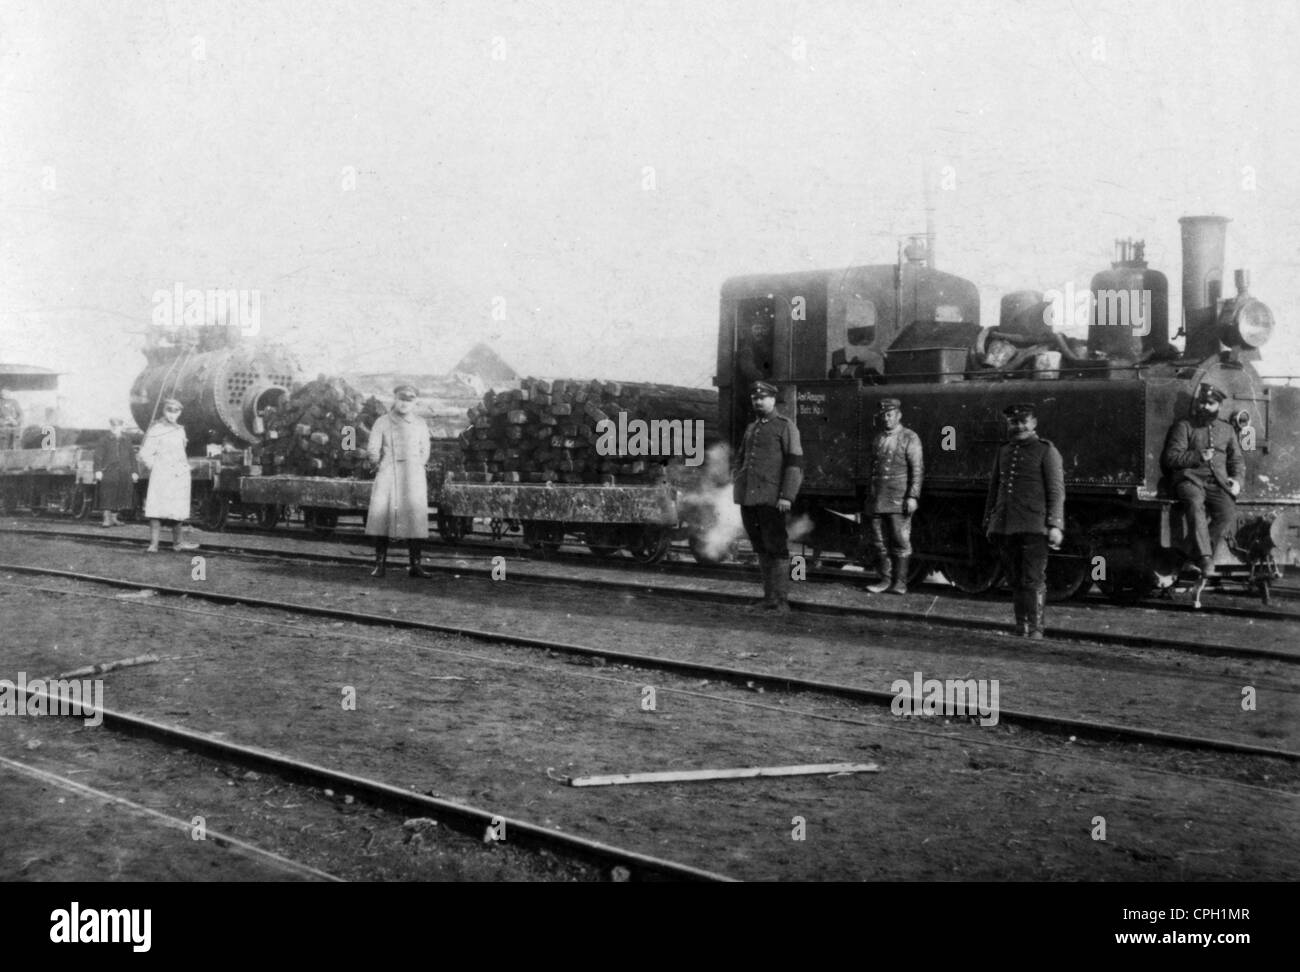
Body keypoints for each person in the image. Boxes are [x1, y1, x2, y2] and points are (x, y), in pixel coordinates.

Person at [983, 403, 1064, 639]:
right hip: (1006, 525)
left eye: (1022, 421)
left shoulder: (1046, 451)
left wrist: (1055, 524)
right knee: (1015, 578)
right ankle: (1022, 626)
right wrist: (990, 520)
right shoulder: (1004, 451)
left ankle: (1036, 628)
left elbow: (1056, 491)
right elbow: (994, 488)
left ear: (1033, 423)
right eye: (1013, 422)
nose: (1018, 426)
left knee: (1033, 578)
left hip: (1034, 525)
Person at [733, 380, 803, 614]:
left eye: (763, 398)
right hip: (749, 498)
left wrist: (787, 496)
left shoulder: (785, 426)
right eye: (755, 398)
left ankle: (781, 601)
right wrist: (738, 483)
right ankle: (768, 597)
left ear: (773, 400)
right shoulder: (751, 428)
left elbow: (795, 464)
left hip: (773, 498)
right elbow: (741, 459)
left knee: (777, 548)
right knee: (760, 547)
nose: (758, 401)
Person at [1161, 382, 1244, 577]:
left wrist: (1237, 480)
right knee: (1194, 502)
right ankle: (1205, 558)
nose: (1204, 407)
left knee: (1227, 511)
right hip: (1189, 480)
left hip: (1217, 483)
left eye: (1209, 403)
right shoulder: (1184, 426)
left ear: (1219, 406)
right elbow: (1171, 458)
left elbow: (1237, 460)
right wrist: (1197, 456)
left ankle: (1191, 556)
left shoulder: (1227, 429)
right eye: (1201, 402)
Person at [365, 384, 432, 578]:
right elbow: (373, 447)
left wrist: (417, 465)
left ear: (415, 402)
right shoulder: (382, 422)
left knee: (415, 519)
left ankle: (416, 565)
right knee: (382, 518)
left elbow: (425, 448)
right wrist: (378, 463)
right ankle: (380, 565)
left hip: (413, 475)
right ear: (394, 399)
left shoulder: (420, 423)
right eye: (401, 399)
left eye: (409, 400)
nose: (404, 404)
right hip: (388, 472)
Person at [864, 398, 923, 594]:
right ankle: (885, 580)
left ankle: (900, 583)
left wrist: (913, 496)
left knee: (900, 541)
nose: (886, 419)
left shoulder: (910, 437)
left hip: (898, 497)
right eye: (883, 415)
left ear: (899, 415)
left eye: (890, 415)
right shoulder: (878, 438)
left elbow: (917, 469)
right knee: (879, 542)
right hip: (877, 497)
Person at [138, 399, 198, 553]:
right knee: (156, 508)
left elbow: (181, 452)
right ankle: (154, 545)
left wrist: (184, 468)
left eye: (176, 412)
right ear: (164, 411)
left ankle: (177, 543)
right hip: (162, 474)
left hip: (178, 474)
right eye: (169, 411)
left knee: (177, 509)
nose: (172, 415)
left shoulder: (180, 430)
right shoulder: (156, 429)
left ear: (179, 413)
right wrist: (157, 467)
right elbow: (145, 454)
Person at [94, 418, 137, 527]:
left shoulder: (127, 439)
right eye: (113, 425)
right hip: (109, 471)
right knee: (107, 494)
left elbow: (132, 457)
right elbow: (98, 456)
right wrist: (98, 470)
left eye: (118, 426)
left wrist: (134, 471)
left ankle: (114, 518)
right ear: (110, 426)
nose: (115, 428)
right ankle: (106, 519)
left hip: (124, 471)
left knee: (120, 494)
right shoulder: (104, 439)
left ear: (121, 427)